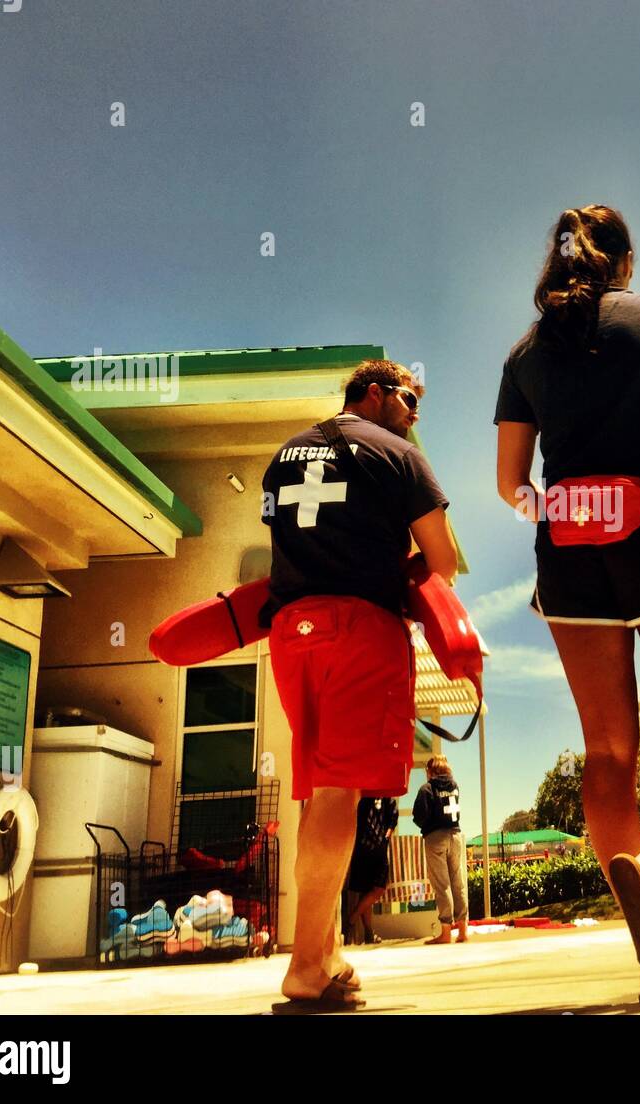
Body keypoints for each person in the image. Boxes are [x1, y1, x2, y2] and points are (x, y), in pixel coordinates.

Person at [494, 205, 640, 1000]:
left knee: (605, 754)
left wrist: (567, 514)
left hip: (566, 553)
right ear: (623, 261)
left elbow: (509, 485)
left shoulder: (524, 354)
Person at [264, 359, 457, 1010]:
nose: (414, 415)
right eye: (408, 400)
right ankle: (304, 967)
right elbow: (444, 560)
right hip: (357, 628)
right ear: (373, 394)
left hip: (292, 633)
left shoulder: (285, 454)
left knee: (317, 797)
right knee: (340, 795)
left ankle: (322, 955)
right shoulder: (398, 456)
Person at [413, 755, 468, 945]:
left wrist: (426, 824)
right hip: (455, 836)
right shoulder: (454, 787)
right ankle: (462, 931)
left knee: (442, 885)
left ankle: (445, 933)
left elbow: (419, 815)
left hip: (436, 839)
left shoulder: (427, 788)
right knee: (457, 883)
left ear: (431, 770)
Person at [342, 796, 398, 945]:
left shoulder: (389, 800)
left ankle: (351, 919)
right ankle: (368, 933)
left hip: (379, 851)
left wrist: (384, 839)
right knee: (365, 890)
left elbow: (392, 822)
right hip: (362, 850)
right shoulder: (363, 798)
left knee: (379, 888)